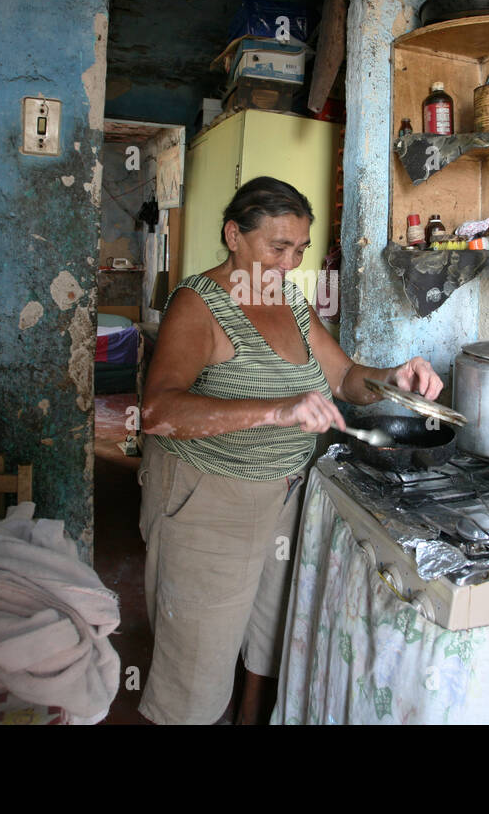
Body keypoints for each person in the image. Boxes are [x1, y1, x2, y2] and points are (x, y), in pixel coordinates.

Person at [137, 176, 442, 725]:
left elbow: (346, 377)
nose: (290, 261)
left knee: (267, 635)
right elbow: (159, 411)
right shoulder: (198, 304)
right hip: (210, 502)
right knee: (196, 666)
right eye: (278, 247)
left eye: (299, 249)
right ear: (234, 235)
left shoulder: (292, 303)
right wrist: (277, 409)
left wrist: (393, 378)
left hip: (284, 497)